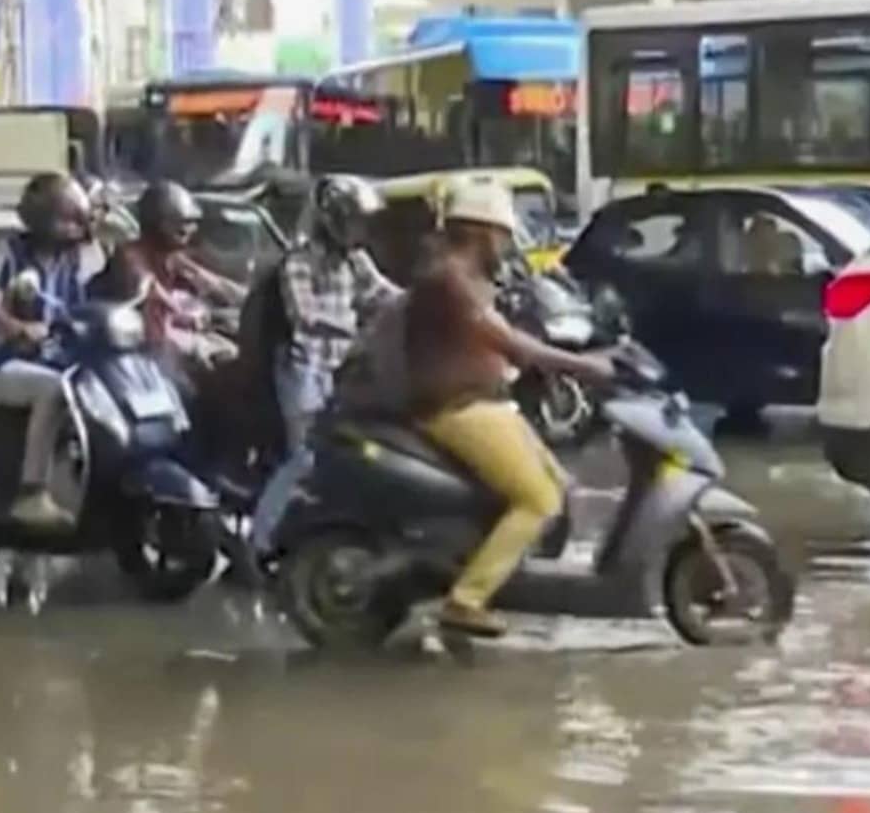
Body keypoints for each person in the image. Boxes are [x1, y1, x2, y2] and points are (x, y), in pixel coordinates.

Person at [400, 179, 614, 640]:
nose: (506, 246)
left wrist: (553, 365)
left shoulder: (467, 277)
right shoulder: (450, 280)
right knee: (539, 499)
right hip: (456, 408)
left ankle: (505, 572)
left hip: (487, 402)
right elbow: (507, 340)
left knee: (559, 484)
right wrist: (584, 366)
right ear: (478, 233)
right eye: (501, 236)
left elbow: (504, 341)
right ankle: (466, 599)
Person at [241, 174, 395, 557]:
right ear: (335, 219)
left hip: (341, 372)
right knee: (304, 458)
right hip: (303, 369)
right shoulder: (299, 261)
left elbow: (383, 294)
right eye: (356, 220)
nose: (362, 229)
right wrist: (352, 329)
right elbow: (304, 315)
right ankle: (256, 544)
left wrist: (424, 300)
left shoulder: (356, 262)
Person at [0, 172, 108, 533]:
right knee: (55, 390)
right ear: (44, 219)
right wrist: (17, 328)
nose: (75, 229)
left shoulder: (77, 258)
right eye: (67, 220)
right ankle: (31, 493)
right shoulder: (10, 251)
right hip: (7, 363)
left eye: (78, 220)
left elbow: (98, 302)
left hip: (61, 359)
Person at [106, 181, 245, 372]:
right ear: (160, 222)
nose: (191, 229)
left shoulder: (172, 256)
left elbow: (212, 283)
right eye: (183, 223)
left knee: (238, 351)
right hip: (142, 345)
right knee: (222, 358)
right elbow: (151, 291)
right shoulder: (130, 255)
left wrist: (252, 299)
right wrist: (189, 315)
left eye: (191, 223)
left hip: (170, 337)